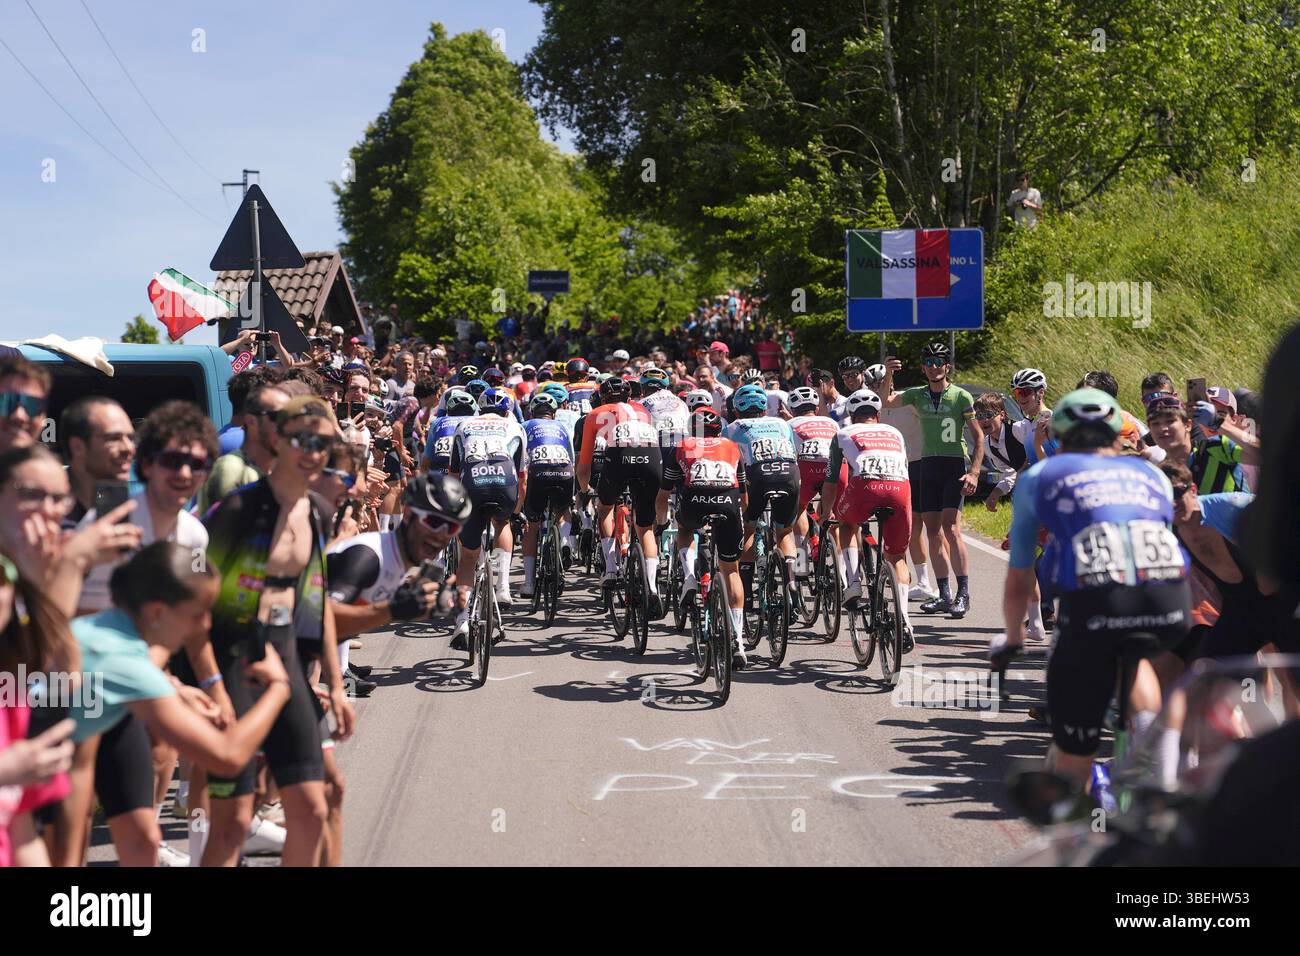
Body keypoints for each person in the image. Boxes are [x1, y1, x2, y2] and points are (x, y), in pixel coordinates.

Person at [997, 389, 1190, 789]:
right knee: (1140, 654)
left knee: (1073, 748)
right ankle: (1162, 775)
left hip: (1096, 601)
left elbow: (1019, 578)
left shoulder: (1041, 476)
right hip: (1170, 600)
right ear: (1118, 434)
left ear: (1059, 439)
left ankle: (1075, 809)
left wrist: (1014, 637)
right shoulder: (1152, 474)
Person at [64, 543, 294, 868]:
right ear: (157, 612)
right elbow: (227, 756)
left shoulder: (101, 629)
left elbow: (119, 671)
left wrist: (173, 687)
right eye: (198, 614)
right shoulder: (129, 667)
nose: (204, 626)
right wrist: (279, 688)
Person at [200, 396, 342, 867]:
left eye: (321, 443)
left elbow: (315, 602)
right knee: (232, 822)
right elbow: (196, 605)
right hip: (232, 656)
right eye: (301, 438)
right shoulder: (239, 510)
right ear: (277, 439)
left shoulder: (319, 511)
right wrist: (212, 685)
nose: (312, 451)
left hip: (285, 656)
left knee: (312, 808)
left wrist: (334, 683)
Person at [880, 342, 982, 617]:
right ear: (923, 367)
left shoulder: (961, 396)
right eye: (929, 362)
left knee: (952, 529)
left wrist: (974, 472)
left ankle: (963, 593)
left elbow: (978, 436)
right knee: (932, 530)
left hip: (952, 464)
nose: (934, 367)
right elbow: (886, 402)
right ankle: (943, 593)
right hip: (928, 465)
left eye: (939, 362)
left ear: (947, 366)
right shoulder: (917, 394)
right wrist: (889, 374)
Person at [819, 389, 912, 636]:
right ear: (878, 415)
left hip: (865, 487)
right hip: (900, 489)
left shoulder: (842, 433)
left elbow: (831, 481)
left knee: (847, 524)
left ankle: (853, 584)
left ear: (850, 414)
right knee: (898, 556)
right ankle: (904, 620)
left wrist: (825, 514)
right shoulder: (895, 433)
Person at [663, 407, 748, 664]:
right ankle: (738, 640)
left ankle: (689, 577)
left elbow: (664, 493)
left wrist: (658, 522)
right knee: (731, 570)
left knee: (685, 529)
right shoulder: (732, 446)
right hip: (728, 504)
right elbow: (744, 494)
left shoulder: (683, 445)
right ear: (718, 429)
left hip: (694, 503)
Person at [577, 375, 664, 619]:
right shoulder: (643, 411)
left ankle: (612, 568)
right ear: (629, 396)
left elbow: (584, 463)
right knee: (645, 526)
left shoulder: (596, 414)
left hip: (619, 457)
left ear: (602, 397)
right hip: (650, 458)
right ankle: (653, 587)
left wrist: (584, 491)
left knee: (605, 507)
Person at [450, 388, 528, 645]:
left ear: (479, 410)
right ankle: (503, 587)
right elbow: (522, 477)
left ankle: (462, 621)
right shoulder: (515, 425)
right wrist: (516, 512)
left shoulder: (464, 424)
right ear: (506, 410)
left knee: (468, 559)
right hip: (503, 483)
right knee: (502, 522)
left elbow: (453, 473)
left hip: (471, 484)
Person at [724, 384, 800, 608]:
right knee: (785, 531)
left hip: (757, 475)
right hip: (789, 473)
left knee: (748, 529)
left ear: (737, 410)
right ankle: (791, 581)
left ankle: (746, 592)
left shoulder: (732, 427)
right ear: (765, 409)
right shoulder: (781, 423)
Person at [199, 383, 289, 513]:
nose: (286, 425)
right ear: (251, 421)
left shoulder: (276, 469)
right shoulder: (232, 469)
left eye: (289, 417)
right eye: (277, 417)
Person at [519, 393, 576, 597]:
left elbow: (519, 458)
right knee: (564, 510)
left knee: (531, 526)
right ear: (553, 413)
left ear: (533, 412)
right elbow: (571, 457)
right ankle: (564, 541)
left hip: (537, 472)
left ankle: (528, 583)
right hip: (563, 470)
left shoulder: (525, 425)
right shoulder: (562, 427)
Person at [1146, 397, 1258, 494]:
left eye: (1170, 421)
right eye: (1155, 424)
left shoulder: (1216, 446)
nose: (1162, 429)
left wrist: (1219, 423)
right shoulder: (1160, 475)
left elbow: (1264, 455)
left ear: (1188, 425)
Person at [58, 396, 137, 526]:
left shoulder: (137, 511)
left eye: (131, 438)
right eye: (114, 438)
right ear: (78, 447)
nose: (129, 449)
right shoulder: (43, 513)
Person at [0, 354, 51, 453]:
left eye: (32, 405)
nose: (20, 415)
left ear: (43, 415)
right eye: (7, 402)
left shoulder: (51, 467)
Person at [423, 389, 477, 475]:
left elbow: (427, 458)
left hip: (440, 473)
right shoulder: (476, 421)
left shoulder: (438, 422)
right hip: (469, 471)